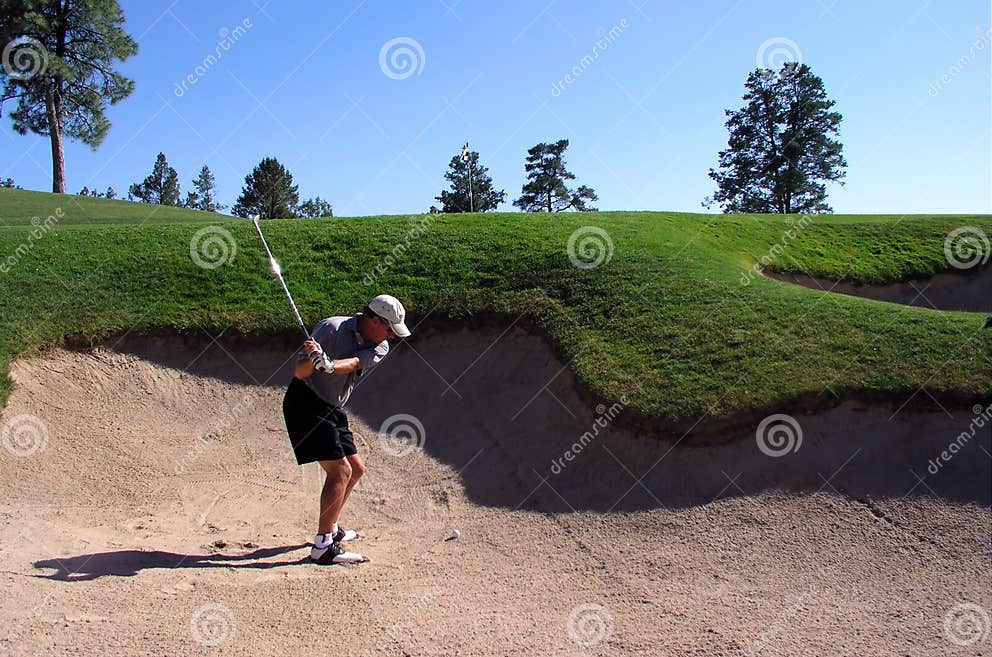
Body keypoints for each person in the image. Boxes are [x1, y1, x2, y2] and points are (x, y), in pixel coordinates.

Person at [282, 294, 411, 564]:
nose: (391, 336)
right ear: (374, 321)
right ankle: (322, 547)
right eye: (389, 329)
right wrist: (313, 360)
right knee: (340, 471)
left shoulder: (380, 346)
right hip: (305, 402)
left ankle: (329, 528)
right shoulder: (331, 329)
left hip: (332, 407)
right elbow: (300, 372)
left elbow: (353, 363)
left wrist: (328, 365)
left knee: (357, 470)